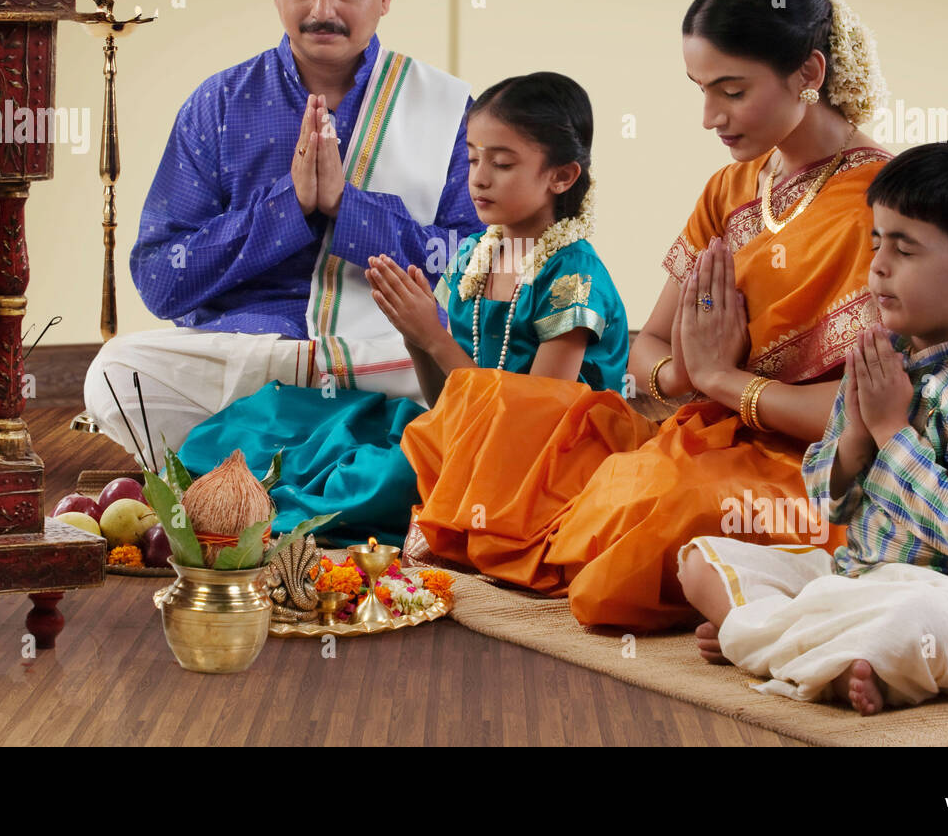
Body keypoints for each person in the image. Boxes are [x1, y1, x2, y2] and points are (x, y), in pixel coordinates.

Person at [400, 0, 895, 630]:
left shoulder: (888, 205)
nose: (709, 116)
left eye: (731, 91)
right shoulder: (731, 188)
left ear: (809, 74)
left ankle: (724, 579)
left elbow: (870, 411)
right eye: (700, 89)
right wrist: (683, 374)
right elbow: (650, 348)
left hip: (814, 470)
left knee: (650, 506)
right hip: (699, 431)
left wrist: (723, 380)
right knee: (515, 410)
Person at [82, 0, 484, 468]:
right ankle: (352, 454)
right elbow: (159, 277)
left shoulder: (444, 108)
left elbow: (476, 268)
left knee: (487, 369)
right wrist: (287, 209)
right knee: (116, 374)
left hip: (387, 358)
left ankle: (251, 463)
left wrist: (351, 210)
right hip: (251, 357)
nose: (322, 9)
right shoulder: (219, 104)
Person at [677, 141, 948, 714]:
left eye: (904, 250)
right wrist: (856, 438)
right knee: (703, 560)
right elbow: (831, 508)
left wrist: (889, 431)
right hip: (858, 578)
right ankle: (811, 648)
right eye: (876, 242)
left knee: (910, 622)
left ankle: (767, 638)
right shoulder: (883, 356)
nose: (877, 266)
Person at [177, 72, 630, 547]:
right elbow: (442, 402)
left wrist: (433, 337)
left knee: (387, 473)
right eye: (473, 158)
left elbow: (533, 427)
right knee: (303, 418)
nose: (479, 177)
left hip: (539, 466)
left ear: (561, 176)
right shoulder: (477, 253)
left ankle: (256, 524)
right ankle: (228, 499)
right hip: (464, 437)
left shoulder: (574, 280)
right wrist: (416, 340)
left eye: (502, 163)